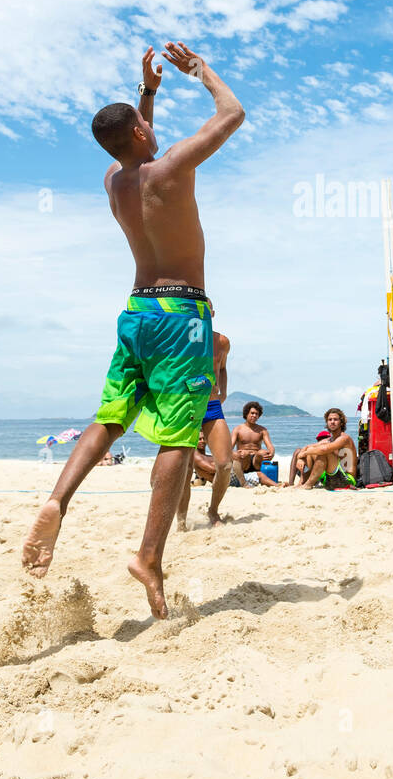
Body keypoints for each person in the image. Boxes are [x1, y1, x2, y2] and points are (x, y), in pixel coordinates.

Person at [22, 42, 244, 618]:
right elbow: (232, 113)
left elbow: (133, 146)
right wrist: (198, 71)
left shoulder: (114, 183)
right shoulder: (173, 164)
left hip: (136, 313)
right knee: (175, 438)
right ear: (143, 134)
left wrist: (146, 93)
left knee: (109, 418)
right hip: (180, 317)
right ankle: (149, 556)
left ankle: (56, 501)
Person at [176, 306, 232, 529]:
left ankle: (213, 510)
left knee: (225, 464)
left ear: (213, 312)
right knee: (184, 468)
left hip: (212, 405)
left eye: (205, 309)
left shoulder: (222, 342)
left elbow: (223, 368)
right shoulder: (182, 338)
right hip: (186, 406)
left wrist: (224, 391)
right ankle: (181, 519)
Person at [292, 410, 358, 489]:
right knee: (312, 450)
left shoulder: (344, 438)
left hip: (346, 480)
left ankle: (308, 485)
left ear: (341, 422)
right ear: (327, 422)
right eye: (330, 420)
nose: (332, 422)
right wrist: (301, 459)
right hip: (329, 480)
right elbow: (307, 447)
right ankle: (302, 482)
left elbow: (324, 449)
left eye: (335, 419)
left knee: (324, 452)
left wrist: (305, 453)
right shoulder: (329, 440)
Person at [230, 401, 278, 485]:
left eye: (256, 414)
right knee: (245, 454)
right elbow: (229, 448)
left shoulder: (262, 430)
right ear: (246, 414)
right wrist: (235, 454)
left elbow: (270, 446)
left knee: (262, 452)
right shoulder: (238, 429)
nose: (254, 416)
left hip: (257, 462)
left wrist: (272, 452)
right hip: (244, 462)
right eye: (252, 413)